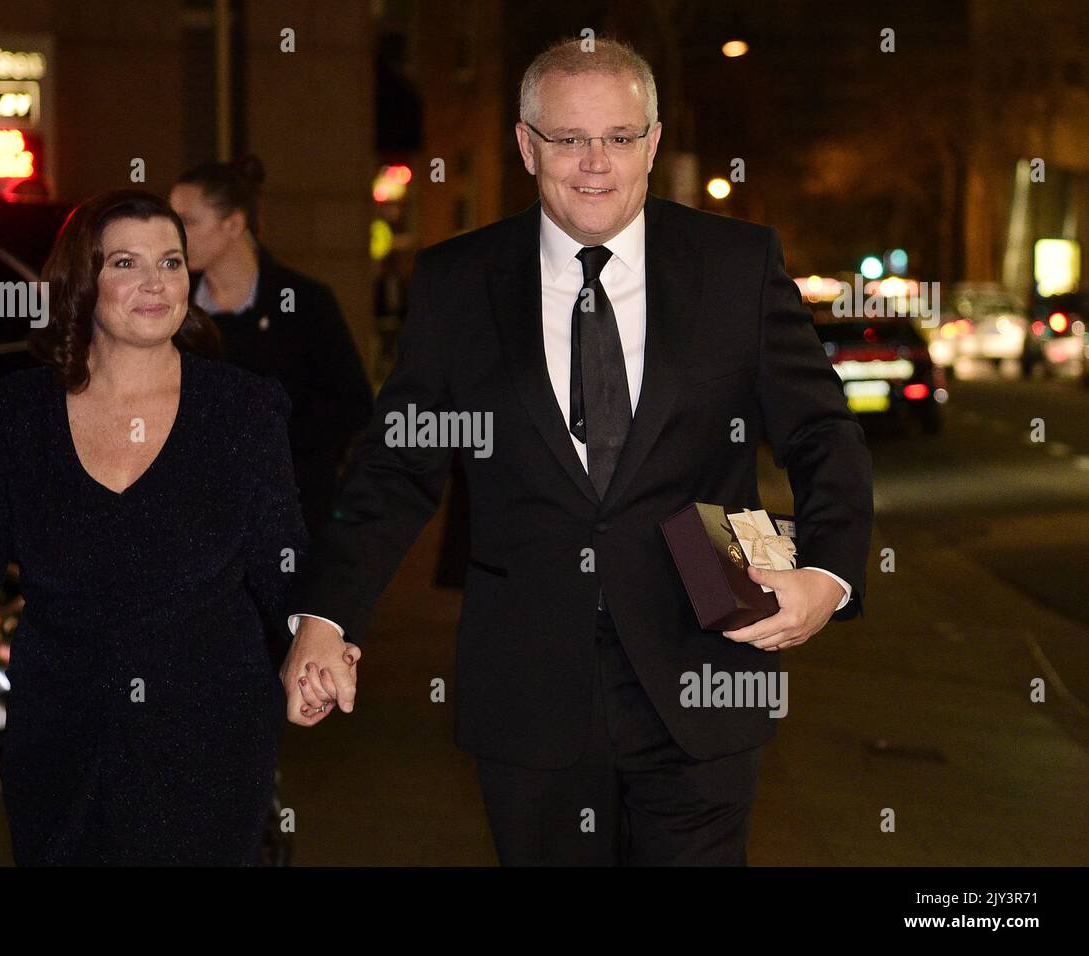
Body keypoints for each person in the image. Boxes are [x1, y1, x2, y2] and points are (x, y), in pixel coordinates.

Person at [281, 37, 874, 865]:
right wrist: (326, 615)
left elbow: (821, 432)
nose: (596, 163)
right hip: (528, 678)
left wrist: (831, 574)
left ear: (654, 142)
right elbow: (397, 466)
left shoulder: (736, 265)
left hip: (708, 646)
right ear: (528, 145)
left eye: (620, 137)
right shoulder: (459, 281)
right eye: (569, 139)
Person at [0, 189, 331, 865]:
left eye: (172, 262)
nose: (156, 282)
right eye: (126, 262)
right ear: (82, 283)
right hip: (60, 746)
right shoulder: (13, 420)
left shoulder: (239, 413)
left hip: (209, 749)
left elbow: (283, 565)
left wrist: (318, 640)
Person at [170, 157, 373, 543]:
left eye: (188, 221)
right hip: (196, 524)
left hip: (289, 518)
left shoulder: (304, 302)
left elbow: (352, 405)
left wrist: (265, 437)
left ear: (234, 223)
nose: (174, 234)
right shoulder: (171, 307)